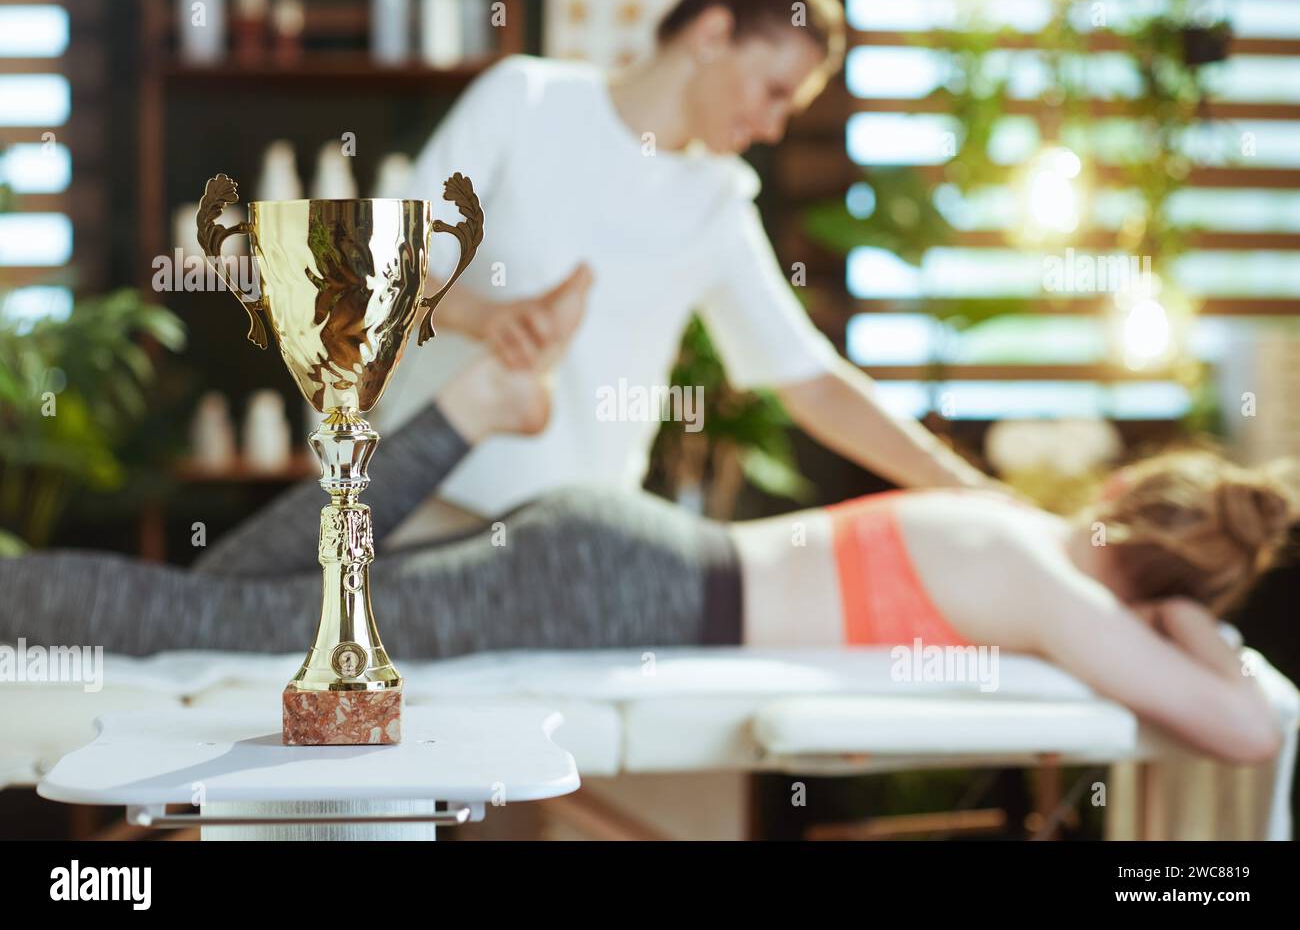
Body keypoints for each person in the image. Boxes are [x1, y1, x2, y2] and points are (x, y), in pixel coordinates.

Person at [1, 285, 1291, 765]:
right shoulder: (1056, 592)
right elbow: (1243, 727)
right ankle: (466, 415)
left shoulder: (1008, 529)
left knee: (246, 595)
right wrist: (1191, 623)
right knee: (232, 622)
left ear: (1120, 497)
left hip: (614, 556)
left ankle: (467, 416)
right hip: (612, 586)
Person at [376, 0, 996, 538]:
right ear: (713, 33)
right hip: (423, 507)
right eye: (774, 91)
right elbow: (387, 264)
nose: (773, 127)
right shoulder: (524, 100)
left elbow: (812, 382)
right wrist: (487, 317)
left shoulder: (719, 203)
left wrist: (969, 493)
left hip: (574, 546)